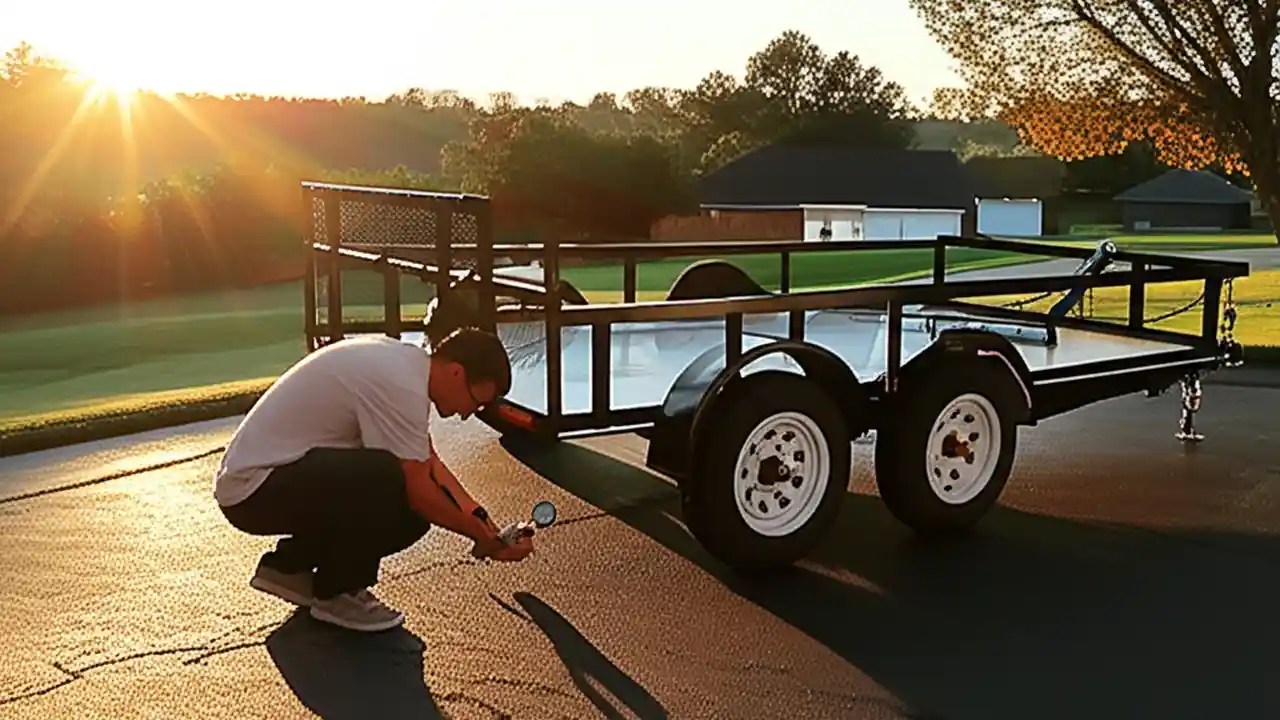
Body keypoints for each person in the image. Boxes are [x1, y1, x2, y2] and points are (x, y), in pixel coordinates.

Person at [212, 326, 534, 633]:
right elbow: (420, 492)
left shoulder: (406, 368)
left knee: (409, 508)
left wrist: (482, 522)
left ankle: (287, 567)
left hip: (265, 482)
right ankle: (339, 592)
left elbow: (429, 462)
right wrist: (483, 541)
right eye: (475, 401)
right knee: (389, 481)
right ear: (456, 373)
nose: (468, 413)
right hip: (253, 490)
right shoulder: (402, 385)